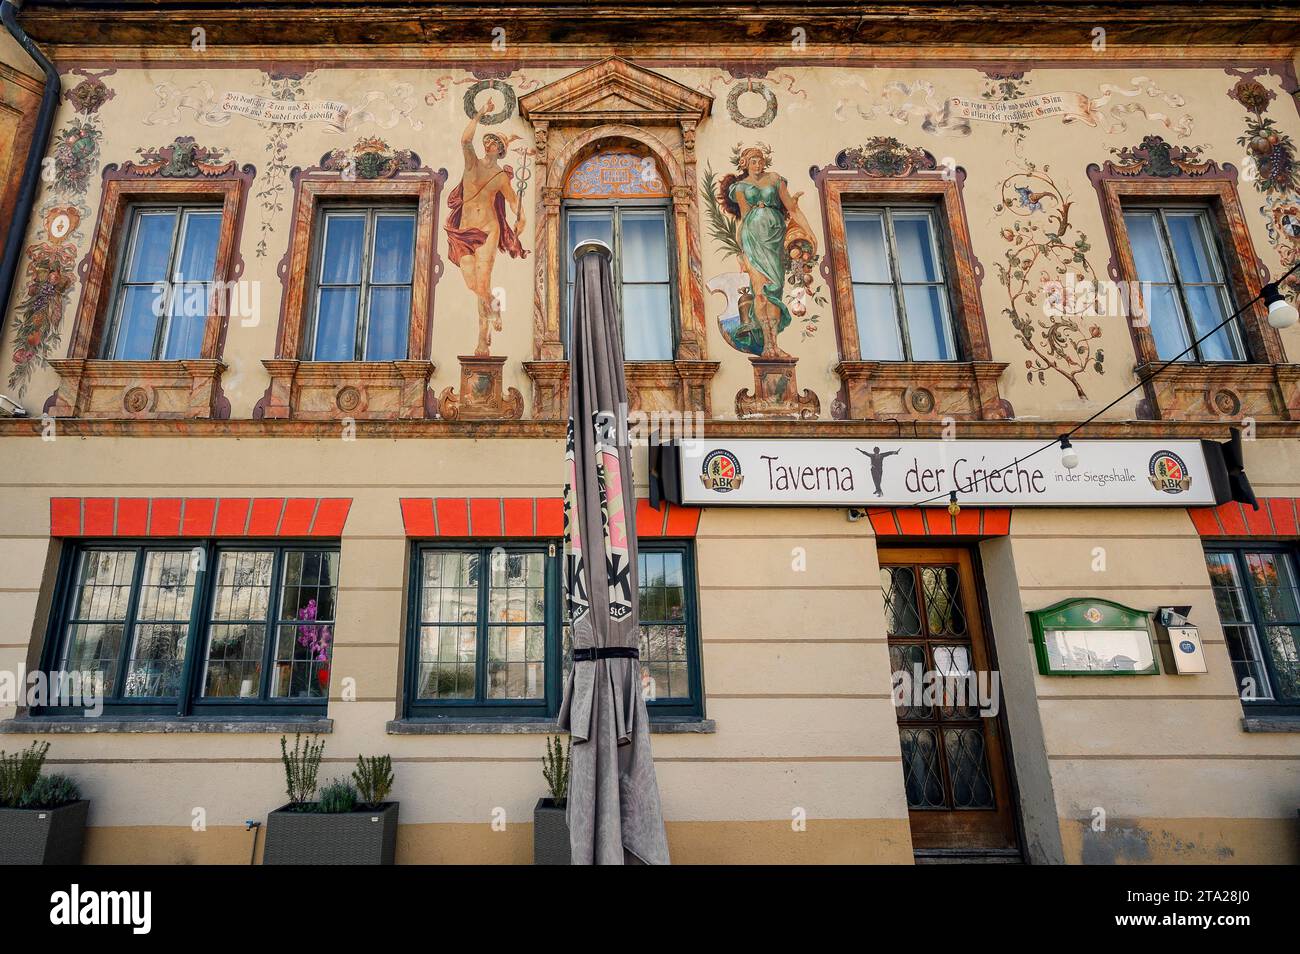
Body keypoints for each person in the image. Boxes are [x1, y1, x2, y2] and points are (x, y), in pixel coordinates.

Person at [445, 99, 528, 356]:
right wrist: (480, 113)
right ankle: (494, 303)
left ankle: (482, 340)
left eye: (496, 143)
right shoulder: (472, 164)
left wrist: (521, 219)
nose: (490, 144)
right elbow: (465, 140)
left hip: (489, 229)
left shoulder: (501, 177)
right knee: (473, 284)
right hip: (464, 229)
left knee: (483, 280)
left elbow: (514, 202)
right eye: (489, 141)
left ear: (500, 151)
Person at [718, 145, 816, 359]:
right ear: (745, 163)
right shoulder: (741, 187)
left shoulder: (775, 179)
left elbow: (790, 206)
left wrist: (807, 230)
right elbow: (744, 216)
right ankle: (768, 346)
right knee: (760, 291)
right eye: (753, 161)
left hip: (774, 238)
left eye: (760, 160)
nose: (758, 164)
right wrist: (741, 249)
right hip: (753, 238)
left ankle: (773, 343)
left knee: (775, 288)